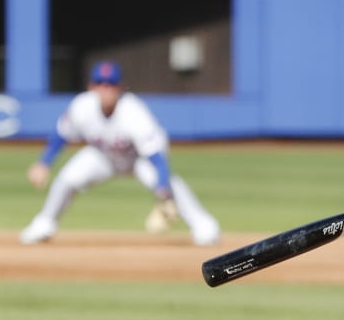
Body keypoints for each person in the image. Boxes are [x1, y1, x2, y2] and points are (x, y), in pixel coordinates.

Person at [21, 60, 220, 246]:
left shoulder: (134, 112)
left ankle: (204, 225)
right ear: (92, 86)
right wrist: (44, 163)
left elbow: (157, 157)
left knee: (171, 185)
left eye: (111, 83)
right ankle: (44, 224)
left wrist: (162, 193)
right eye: (101, 83)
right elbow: (61, 134)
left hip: (138, 158)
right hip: (103, 156)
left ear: (120, 87)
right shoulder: (82, 106)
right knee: (67, 179)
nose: (106, 88)